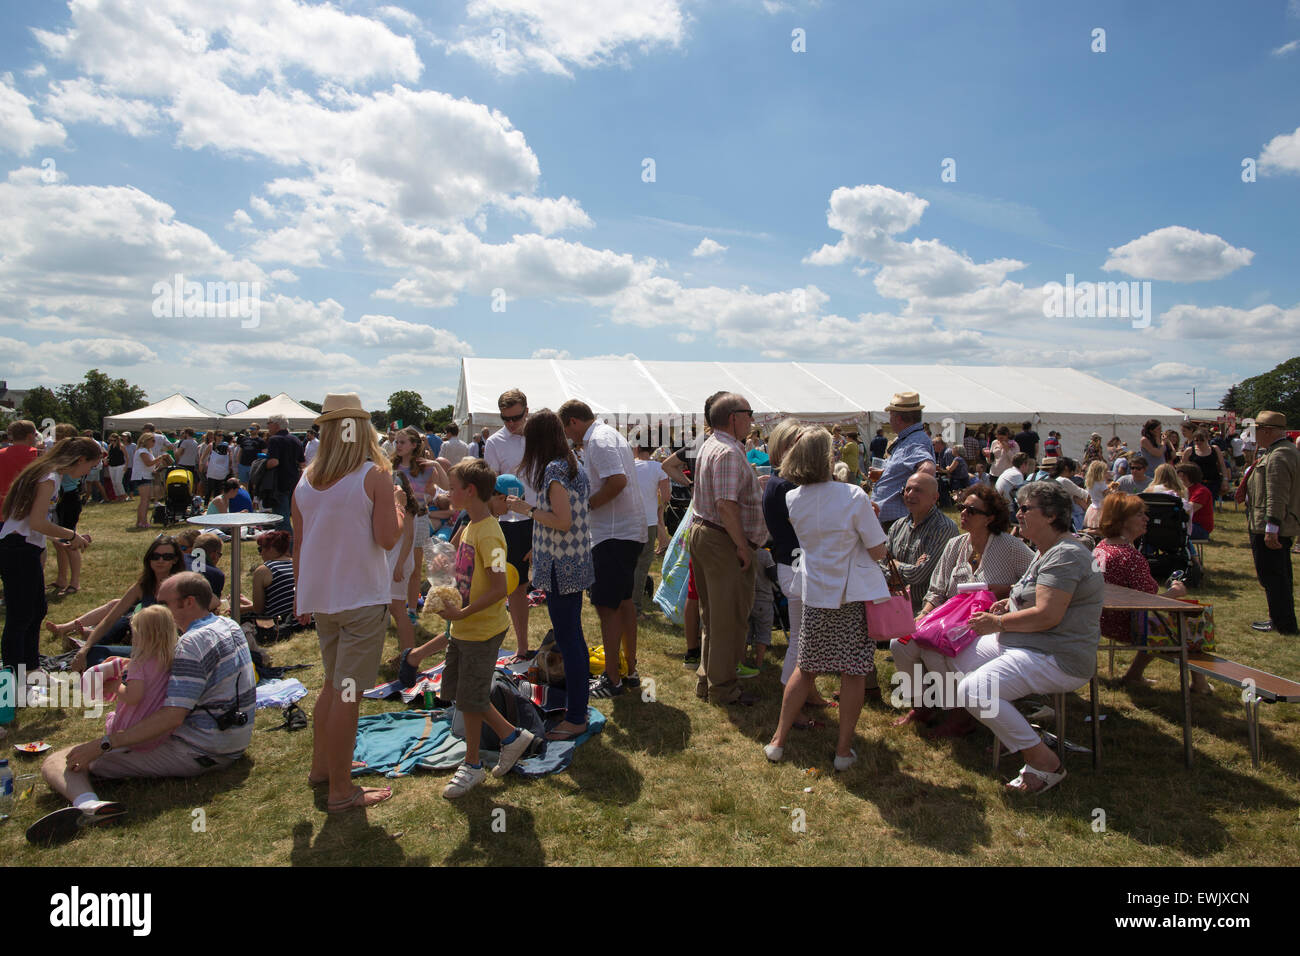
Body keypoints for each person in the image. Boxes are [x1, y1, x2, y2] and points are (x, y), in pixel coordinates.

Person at [28, 573, 255, 846]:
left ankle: (88, 806)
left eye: (163, 603)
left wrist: (104, 744)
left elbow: (172, 717)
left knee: (61, 760)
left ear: (188, 603)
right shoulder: (227, 625)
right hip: (234, 739)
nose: (153, 609)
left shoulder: (191, 645)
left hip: (203, 750)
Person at [294, 393, 405, 813]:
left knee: (332, 685)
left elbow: (300, 544)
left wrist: (302, 595)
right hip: (361, 596)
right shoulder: (374, 474)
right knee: (346, 693)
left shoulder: (306, 479)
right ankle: (341, 789)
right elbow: (387, 538)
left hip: (325, 598)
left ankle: (323, 768)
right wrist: (396, 506)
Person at [960, 481, 1104, 793]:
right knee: (956, 658)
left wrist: (999, 621)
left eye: (1026, 508)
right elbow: (1035, 598)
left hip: (1057, 656)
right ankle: (1020, 727)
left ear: (1052, 516)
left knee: (974, 690)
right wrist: (1011, 602)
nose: (1018, 514)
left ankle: (1043, 760)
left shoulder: (1066, 555)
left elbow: (1048, 616)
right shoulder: (1047, 550)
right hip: (1028, 644)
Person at [764, 427, 889, 770]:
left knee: (805, 669)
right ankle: (843, 750)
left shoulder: (794, 498)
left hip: (816, 590)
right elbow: (878, 551)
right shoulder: (852, 496)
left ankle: (777, 741)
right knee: (854, 672)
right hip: (850, 593)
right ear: (827, 457)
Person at [891, 484, 1034, 733]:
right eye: (961, 508)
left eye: (971, 510)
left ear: (990, 518)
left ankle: (957, 712)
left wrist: (1002, 590)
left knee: (934, 650)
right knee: (899, 643)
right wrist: (923, 615)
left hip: (985, 623)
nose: (964, 514)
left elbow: (1036, 581)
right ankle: (922, 704)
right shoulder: (955, 545)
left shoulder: (1010, 547)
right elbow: (936, 589)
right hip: (948, 620)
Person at [435, 458, 537, 797]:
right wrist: (443, 563)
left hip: (480, 629)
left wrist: (463, 615)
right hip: (465, 628)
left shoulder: (491, 535)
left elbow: (497, 589)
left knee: (472, 697)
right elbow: (463, 568)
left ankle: (474, 763)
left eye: (452, 488)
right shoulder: (469, 525)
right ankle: (511, 737)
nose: (447, 493)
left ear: (470, 491)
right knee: (466, 697)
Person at [508, 408, 594, 741]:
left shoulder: (555, 470)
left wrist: (526, 510)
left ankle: (575, 717)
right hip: (570, 561)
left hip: (563, 564)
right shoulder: (570, 464)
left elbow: (562, 520)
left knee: (570, 639)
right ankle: (577, 709)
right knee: (573, 637)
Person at [558, 400, 646, 699]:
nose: (569, 438)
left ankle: (613, 679)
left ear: (572, 421)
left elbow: (617, 480)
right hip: (622, 532)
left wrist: (587, 505)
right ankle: (628, 671)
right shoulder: (606, 435)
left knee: (607, 607)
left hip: (613, 534)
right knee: (623, 603)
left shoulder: (598, 439)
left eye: (567, 430)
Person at [685, 393, 766, 706]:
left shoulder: (712, 444)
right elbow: (726, 504)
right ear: (734, 417)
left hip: (708, 533)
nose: (751, 418)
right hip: (722, 539)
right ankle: (723, 688)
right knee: (728, 617)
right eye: (749, 413)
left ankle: (709, 680)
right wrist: (742, 545)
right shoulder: (729, 451)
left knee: (714, 615)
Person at [0, 437, 98, 675]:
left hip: (21, 545)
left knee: (35, 611)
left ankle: (31, 668)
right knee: (21, 616)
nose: (88, 472)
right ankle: (15, 674)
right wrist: (70, 535)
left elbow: (28, 522)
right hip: (19, 549)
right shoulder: (49, 478)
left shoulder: (44, 473)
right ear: (80, 459)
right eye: (90, 466)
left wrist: (63, 538)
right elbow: (36, 522)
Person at [1093, 493, 1207, 692]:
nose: (1146, 519)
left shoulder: (1101, 548)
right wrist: (1175, 592)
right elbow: (1148, 603)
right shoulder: (1130, 557)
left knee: (1167, 618)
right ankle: (1200, 683)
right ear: (1122, 521)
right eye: (1139, 515)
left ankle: (1134, 675)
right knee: (1191, 620)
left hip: (1100, 618)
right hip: (1125, 622)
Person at [71, 535, 187, 670]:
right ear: (149, 559)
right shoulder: (142, 586)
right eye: (155, 556)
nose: (160, 560)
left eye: (167, 557)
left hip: (169, 651)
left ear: (175, 560)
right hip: (141, 650)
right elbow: (109, 620)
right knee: (94, 652)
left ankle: (126, 676)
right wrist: (85, 649)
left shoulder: (182, 586)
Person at [484, 390, 538, 657]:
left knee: (555, 585)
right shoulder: (495, 442)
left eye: (516, 417)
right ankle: (522, 647)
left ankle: (560, 652)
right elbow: (491, 485)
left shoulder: (540, 438)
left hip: (544, 517)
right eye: (506, 419)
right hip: (512, 522)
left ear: (527, 411)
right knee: (515, 586)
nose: (511, 424)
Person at [1239, 411, 1299, 634]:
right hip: (1271, 523)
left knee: (1272, 576)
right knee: (1278, 575)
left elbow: (1276, 494)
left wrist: (1271, 527)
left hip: (1270, 524)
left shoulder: (1279, 455)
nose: (1254, 435)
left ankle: (1283, 623)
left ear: (1267, 431)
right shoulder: (1281, 451)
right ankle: (1280, 618)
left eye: (1256, 430)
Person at [97, 604, 179, 751]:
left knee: (112, 718)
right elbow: (152, 671)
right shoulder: (171, 659)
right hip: (158, 731)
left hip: (131, 732)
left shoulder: (139, 664)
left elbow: (133, 696)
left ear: (142, 636)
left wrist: (116, 686)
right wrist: (126, 662)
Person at [391, 426, 450, 624]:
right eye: (397, 442)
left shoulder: (425, 467)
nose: (398, 446)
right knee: (391, 563)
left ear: (414, 445)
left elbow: (447, 487)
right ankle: (389, 605)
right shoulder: (391, 466)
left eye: (403, 442)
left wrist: (437, 464)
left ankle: (412, 610)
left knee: (415, 567)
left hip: (420, 518)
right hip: (396, 519)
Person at [885, 472, 958, 615]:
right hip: (893, 606)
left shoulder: (943, 528)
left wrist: (894, 564)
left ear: (934, 497)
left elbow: (918, 575)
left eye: (918, 490)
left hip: (924, 611)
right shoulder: (898, 525)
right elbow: (880, 563)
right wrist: (892, 566)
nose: (910, 494)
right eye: (907, 489)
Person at [869, 392, 936, 532]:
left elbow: (928, 468)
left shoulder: (914, 441)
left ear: (898, 418)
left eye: (891, 416)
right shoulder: (908, 439)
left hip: (895, 521)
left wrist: (907, 493)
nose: (890, 420)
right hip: (890, 519)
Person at [632, 440, 670, 615]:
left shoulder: (629, 465)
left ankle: (625, 602)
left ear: (637, 447)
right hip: (648, 521)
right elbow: (667, 496)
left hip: (628, 520)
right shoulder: (658, 467)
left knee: (628, 563)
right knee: (642, 565)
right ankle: (635, 606)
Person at [264, 415, 304, 545]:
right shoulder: (296, 440)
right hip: (294, 483)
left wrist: (261, 464)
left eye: (269, 423)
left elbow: (274, 462)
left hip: (279, 483)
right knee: (293, 518)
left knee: (282, 519)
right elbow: (302, 463)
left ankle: (289, 549)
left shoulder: (275, 440)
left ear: (276, 425)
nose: (267, 426)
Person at [130, 432, 170, 529]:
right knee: (145, 500)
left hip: (146, 475)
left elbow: (150, 465)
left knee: (145, 500)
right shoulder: (142, 451)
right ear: (146, 441)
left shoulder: (147, 451)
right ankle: (143, 522)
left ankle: (140, 521)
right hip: (142, 477)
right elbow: (148, 463)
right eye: (152, 441)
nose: (154, 442)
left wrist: (157, 467)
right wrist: (160, 457)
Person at [1180, 428, 1230, 503]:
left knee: (1209, 504)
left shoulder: (1215, 449)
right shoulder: (1189, 451)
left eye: (1202, 440)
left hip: (1212, 483)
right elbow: (1182, 469)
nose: (1199, 442)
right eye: (1196, 440)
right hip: (1194, 483)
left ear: (1207, 439)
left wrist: (1225, 480)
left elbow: (1222, 465)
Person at [1176, 463, 1214, 540]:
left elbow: (1188, 510)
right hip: (1188, 524)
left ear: (1185, 476)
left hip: (1199, 528)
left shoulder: (1201, 491)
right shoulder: (1182, 490)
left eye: (1178, 474)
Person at [1082, 460, 1110, 530]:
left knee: (1092, 528)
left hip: (1092, 508)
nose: (1107, 473)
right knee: (1102, 530)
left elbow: (1088, 497)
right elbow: (1108, 497)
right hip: (1102, 509)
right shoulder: (1101, 483)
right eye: (1106, 472)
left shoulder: (1089, 483)